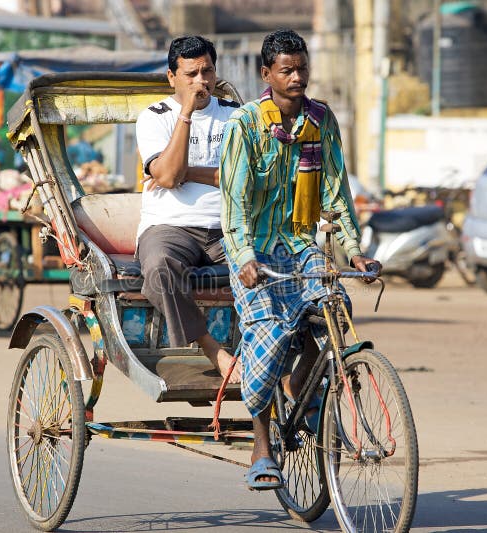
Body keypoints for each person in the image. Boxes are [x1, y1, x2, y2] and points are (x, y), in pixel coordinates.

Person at [219, 29, 381, 490]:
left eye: (302, 68)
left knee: (334, 308)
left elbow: (336, 190)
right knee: (268, 341)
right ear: (266, 74)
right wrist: (245, 257)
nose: (297, 77)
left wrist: (355, 251)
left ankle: (300, 386)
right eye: (286, 70)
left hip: (299, 245)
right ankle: (262, 446)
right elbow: (234, 202)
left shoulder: (321, 120)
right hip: (255, 254)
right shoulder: (246, 125)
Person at [135, 35, 241, 382]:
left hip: (226, 226)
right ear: (172, 77)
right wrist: (186, 114)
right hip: (170, 228)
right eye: (191, 74)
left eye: (207, 72)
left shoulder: (235, 117)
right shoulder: (155, 117)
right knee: (159, 269)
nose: (201, 82)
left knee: (272, 265)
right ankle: (214, 350)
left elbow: (240, 176)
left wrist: (185, 173)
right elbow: (165, 176)